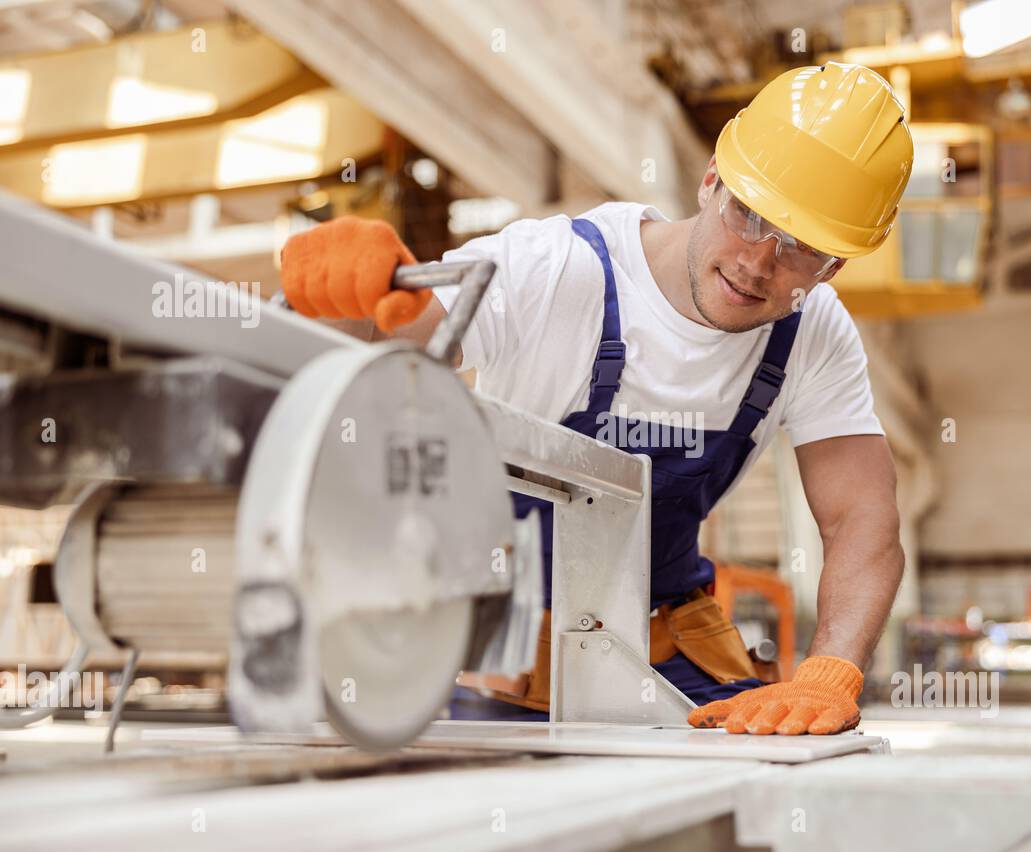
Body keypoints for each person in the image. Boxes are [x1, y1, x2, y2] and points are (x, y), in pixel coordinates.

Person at [279, 62, 913, 735]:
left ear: (834, 266)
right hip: (494, 646)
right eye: (748, 215)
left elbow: (861, 518)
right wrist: (344, 294)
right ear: (709, 182)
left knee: (754, 789)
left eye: (800, 249)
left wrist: (830, 672)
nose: (758, 262)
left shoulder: (812, 331)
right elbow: (386, 338)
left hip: (661, 645)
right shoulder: (556, 268)